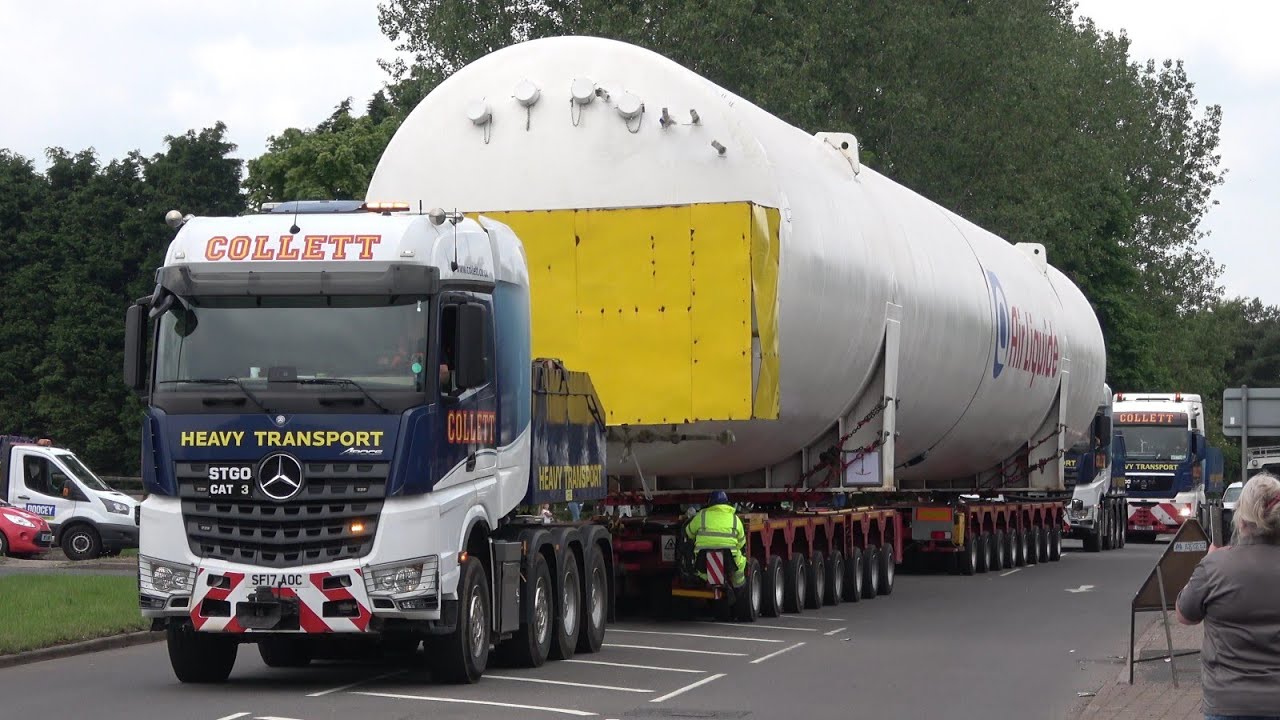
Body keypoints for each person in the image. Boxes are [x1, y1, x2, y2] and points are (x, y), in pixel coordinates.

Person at [1176, 471, 1280, 720]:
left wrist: (1207, 561)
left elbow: (1184, 615)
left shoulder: (1215, 566)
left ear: (1241, 519)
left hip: (1227, 702)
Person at [684, 490, 747, 587]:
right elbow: (741, 542)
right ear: (727, 504)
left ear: (710, 503)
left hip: (703, 560)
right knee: (741, 561)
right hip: (729, 561)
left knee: (696, 563)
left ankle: (704, 581)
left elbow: (689, 533)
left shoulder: (701, 516)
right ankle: (738, 586)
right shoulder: (735, 519)